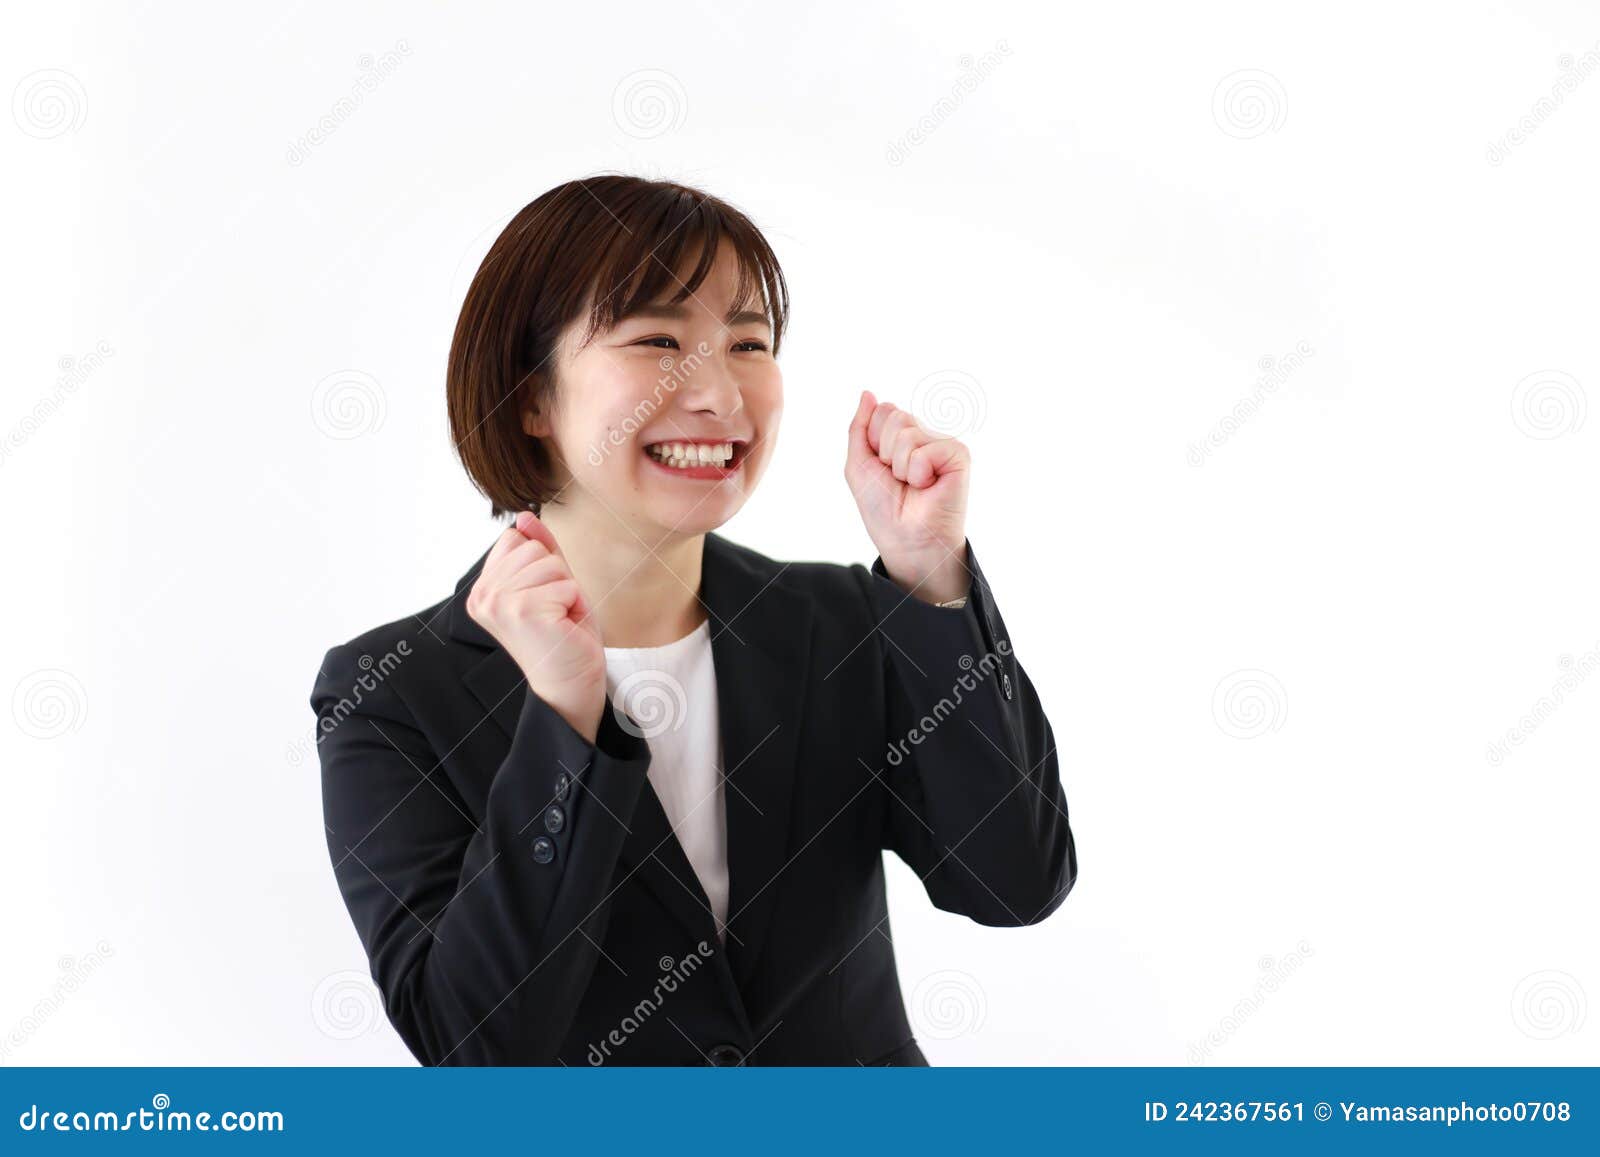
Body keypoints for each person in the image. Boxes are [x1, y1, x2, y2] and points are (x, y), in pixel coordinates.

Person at [311, 175, 1076, 1066]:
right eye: (659, 338)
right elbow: (479, 1048)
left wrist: (930, 577)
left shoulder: (839, 622)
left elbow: (1013, 882)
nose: (719, 392)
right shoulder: (394, 694)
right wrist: (565, 716)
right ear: (531, 396)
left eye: (748, 342)